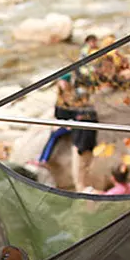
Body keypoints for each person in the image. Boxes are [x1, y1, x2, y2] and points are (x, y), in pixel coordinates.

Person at [29, 35, 100, 190]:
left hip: (75, 126)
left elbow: (74, 112)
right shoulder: (64, 95)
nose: (62, 84)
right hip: (69, 123)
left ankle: (43, 160)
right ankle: (43, 159)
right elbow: (60, 113)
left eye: (64, 81)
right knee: (54, 134)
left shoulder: (76, 94)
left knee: (56, 134)